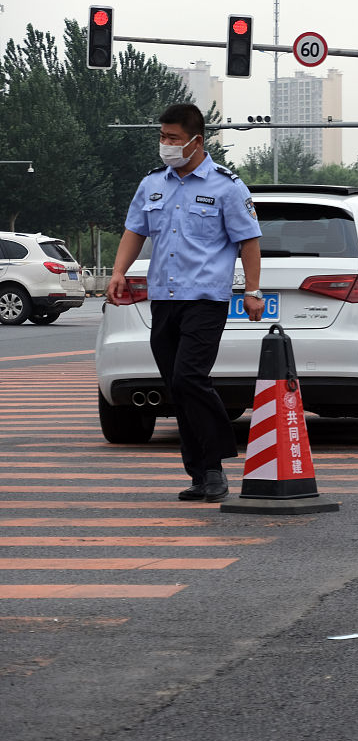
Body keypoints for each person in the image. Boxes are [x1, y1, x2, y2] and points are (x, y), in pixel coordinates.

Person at [106, 103, 264, 502]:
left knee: (189, 378)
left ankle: (215, 464)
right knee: (177, 386)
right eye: (162, 137)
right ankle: (199, 473)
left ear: (197, 140)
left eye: (173, 139)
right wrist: (118, 271)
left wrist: (253, 290)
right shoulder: (152, 184)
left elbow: (249, 241)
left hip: (205, 298)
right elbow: (134, 231)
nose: (166, 145)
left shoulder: (226, 186)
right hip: (164, 297)